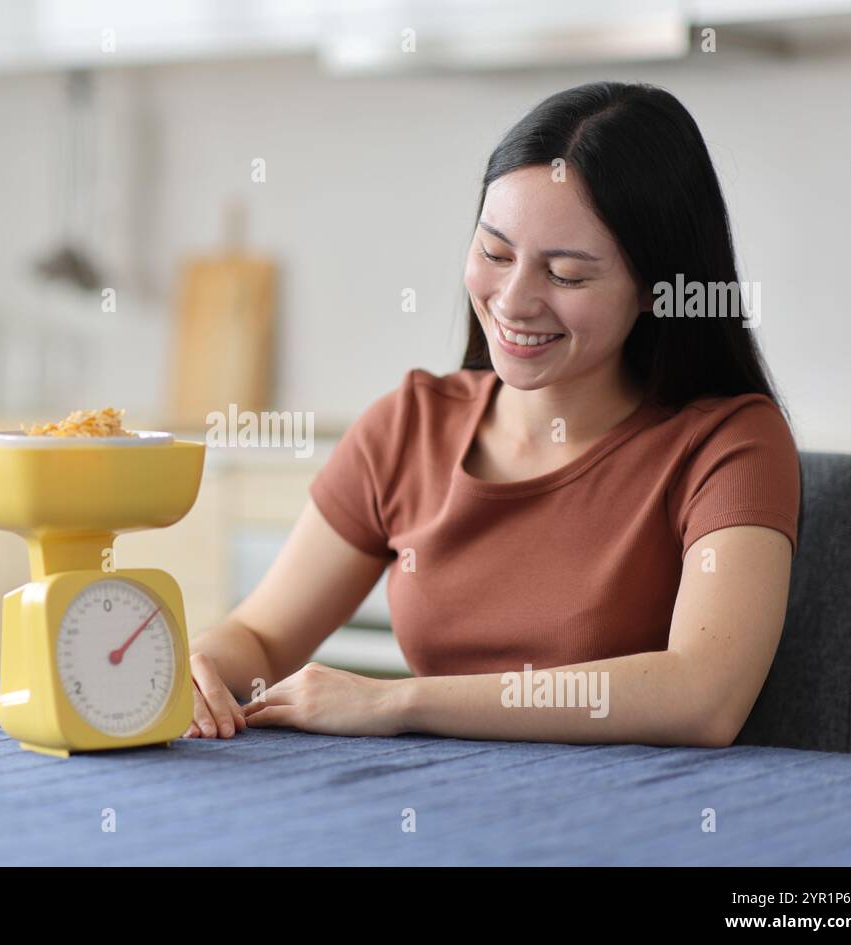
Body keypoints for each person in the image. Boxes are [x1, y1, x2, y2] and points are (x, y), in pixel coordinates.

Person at [184, 81, 799, 748]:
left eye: (565, 274)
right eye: (495, 253)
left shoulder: (729, 442)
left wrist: (398, 701)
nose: (513, 301)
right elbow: (263, 635)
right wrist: (204, 671)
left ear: (657, 289)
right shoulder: (408, 429)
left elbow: (702, 695)